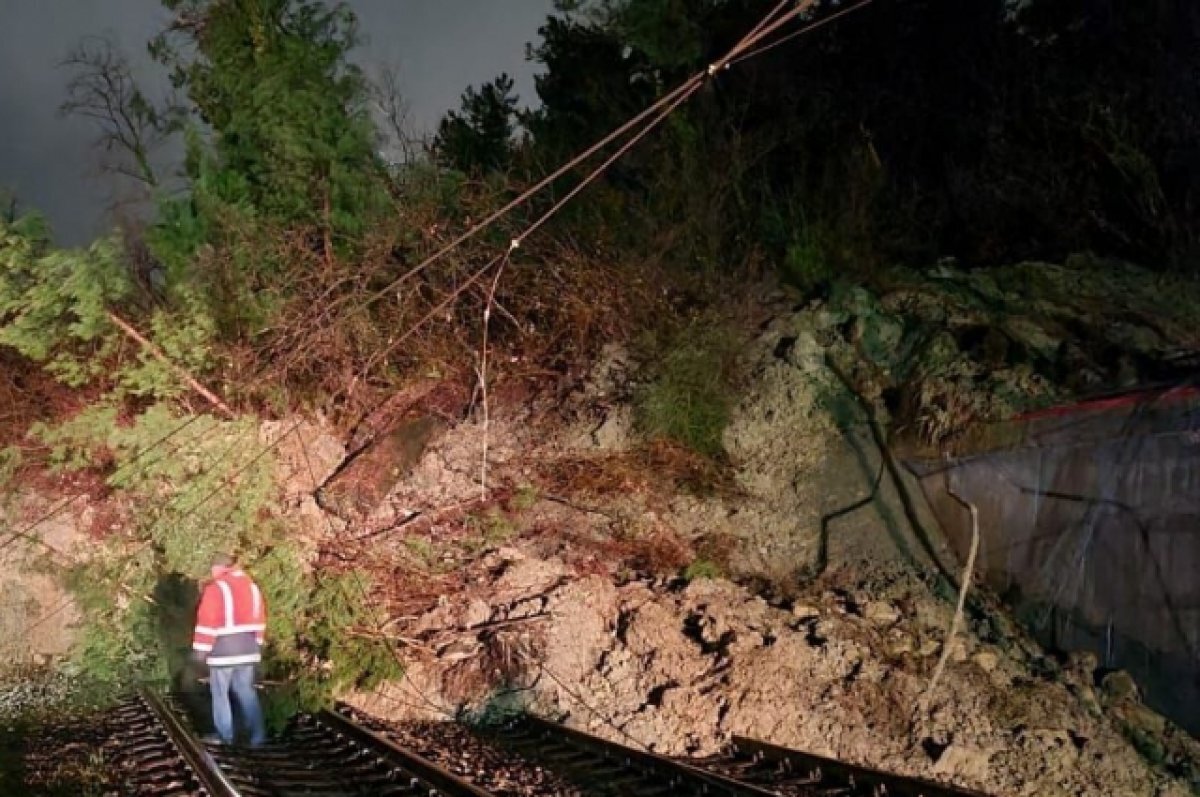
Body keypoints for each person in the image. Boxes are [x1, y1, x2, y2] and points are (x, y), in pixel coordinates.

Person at [192, 552, 267, 746]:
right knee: (246, 690)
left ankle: (225, 736)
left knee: (220, 692)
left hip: (223, 651)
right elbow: (260, 618)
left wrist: (201, 650)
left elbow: (207, 622)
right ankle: (257, 736)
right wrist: (257, 644)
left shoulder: (216, 589)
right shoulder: (252, 587)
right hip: (249, 648)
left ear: (217, 569)